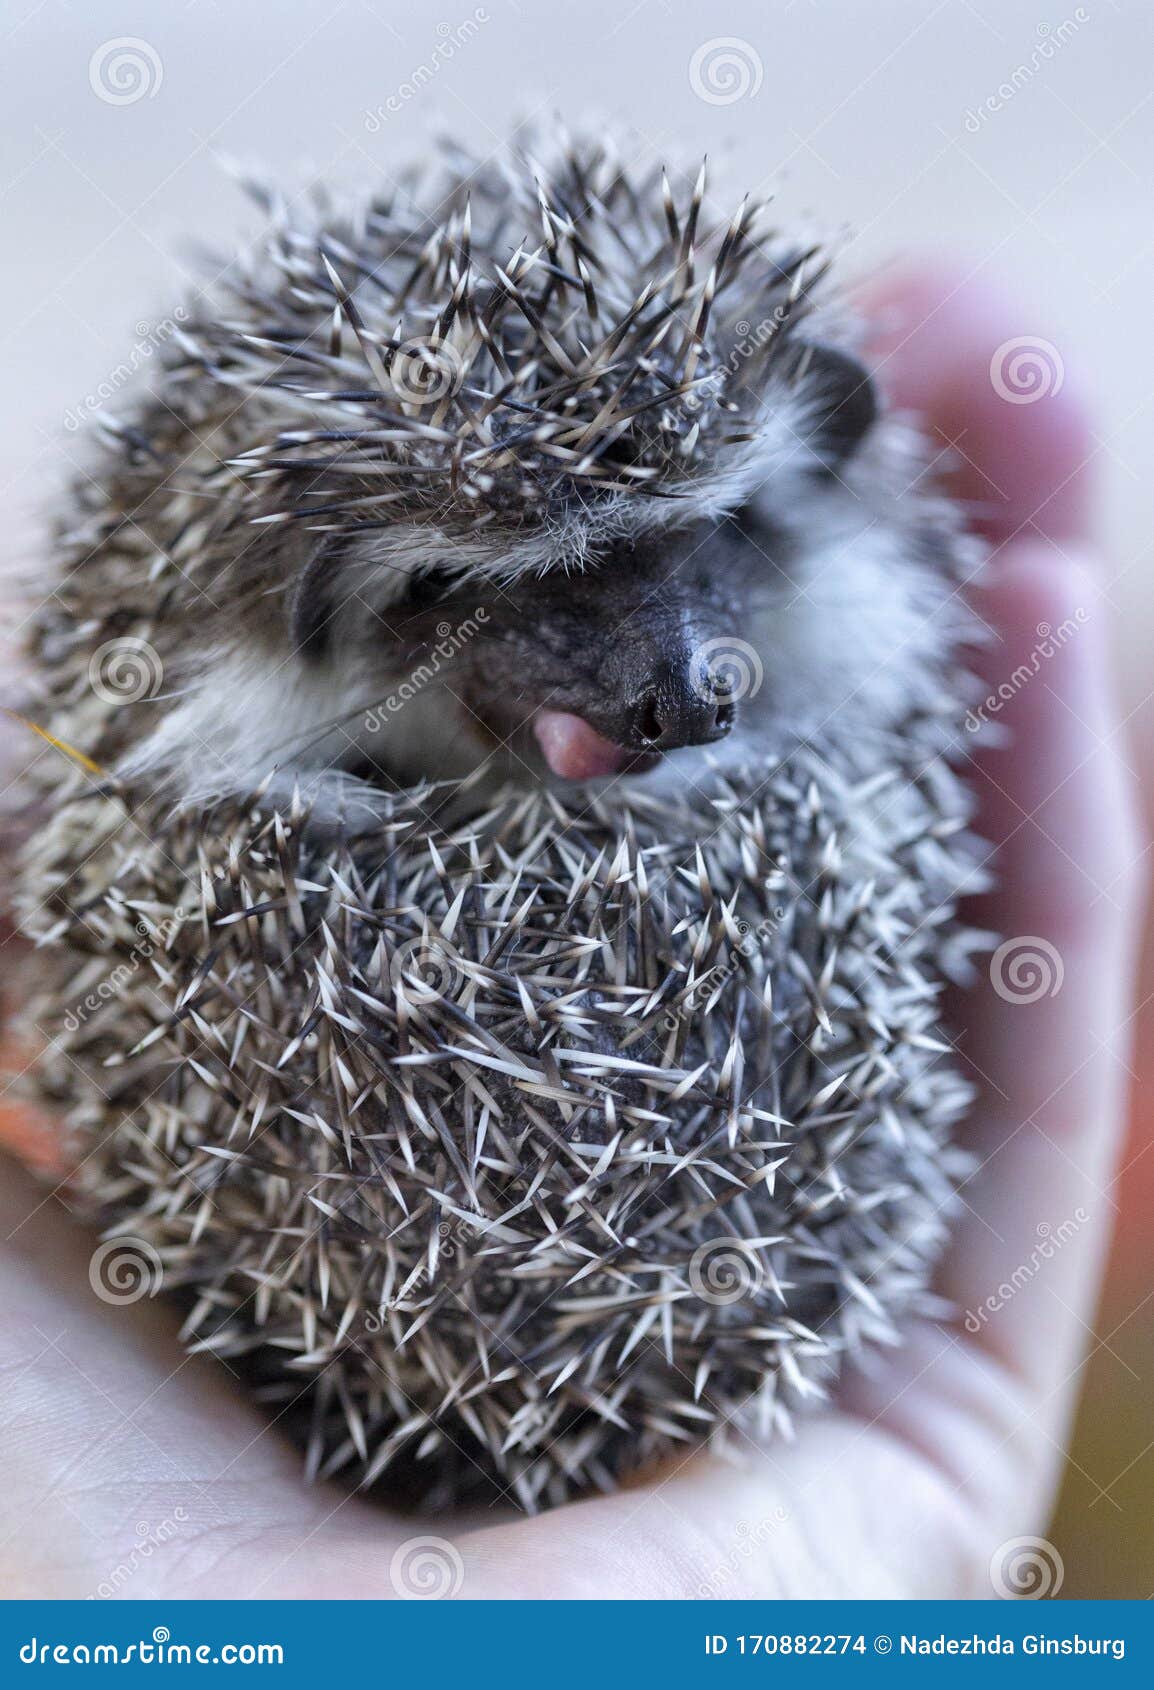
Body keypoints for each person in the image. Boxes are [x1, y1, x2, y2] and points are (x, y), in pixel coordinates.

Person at [0, 268, 1143, 1599]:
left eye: (709, 542)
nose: (682, 676)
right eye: (530, 592)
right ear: (318, 605)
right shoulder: (246, 816)